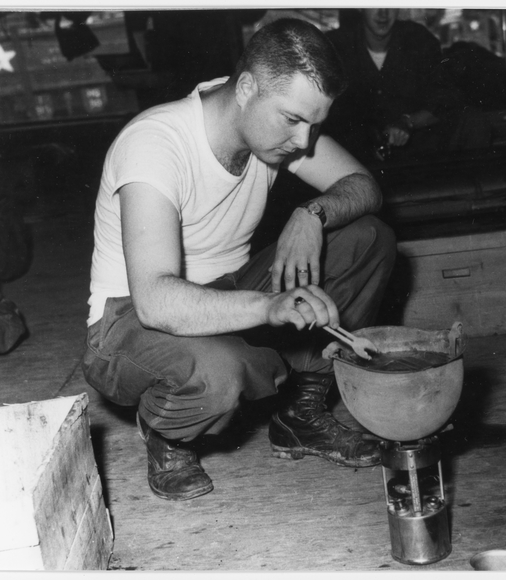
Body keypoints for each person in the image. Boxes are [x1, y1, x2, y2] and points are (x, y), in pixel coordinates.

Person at [81, 18, 397, 501]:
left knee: (367, 236)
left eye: (316, 125)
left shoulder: (274, 133)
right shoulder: (155, 142)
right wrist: (269, 308)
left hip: (227, 291)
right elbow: (157, 301)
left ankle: (301, 416)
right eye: (293, 119)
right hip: (130, 321)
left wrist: (313, 213)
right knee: (221, 372)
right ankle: (169, 434)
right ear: (247, 87)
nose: (305, 142)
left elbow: (362, 185)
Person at [324, 8, 465, 163]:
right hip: (351, 162)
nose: (383, 13)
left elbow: (446, 100)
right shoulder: (335, 45)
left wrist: (408, 121)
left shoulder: (420, 40)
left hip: (415, 163)